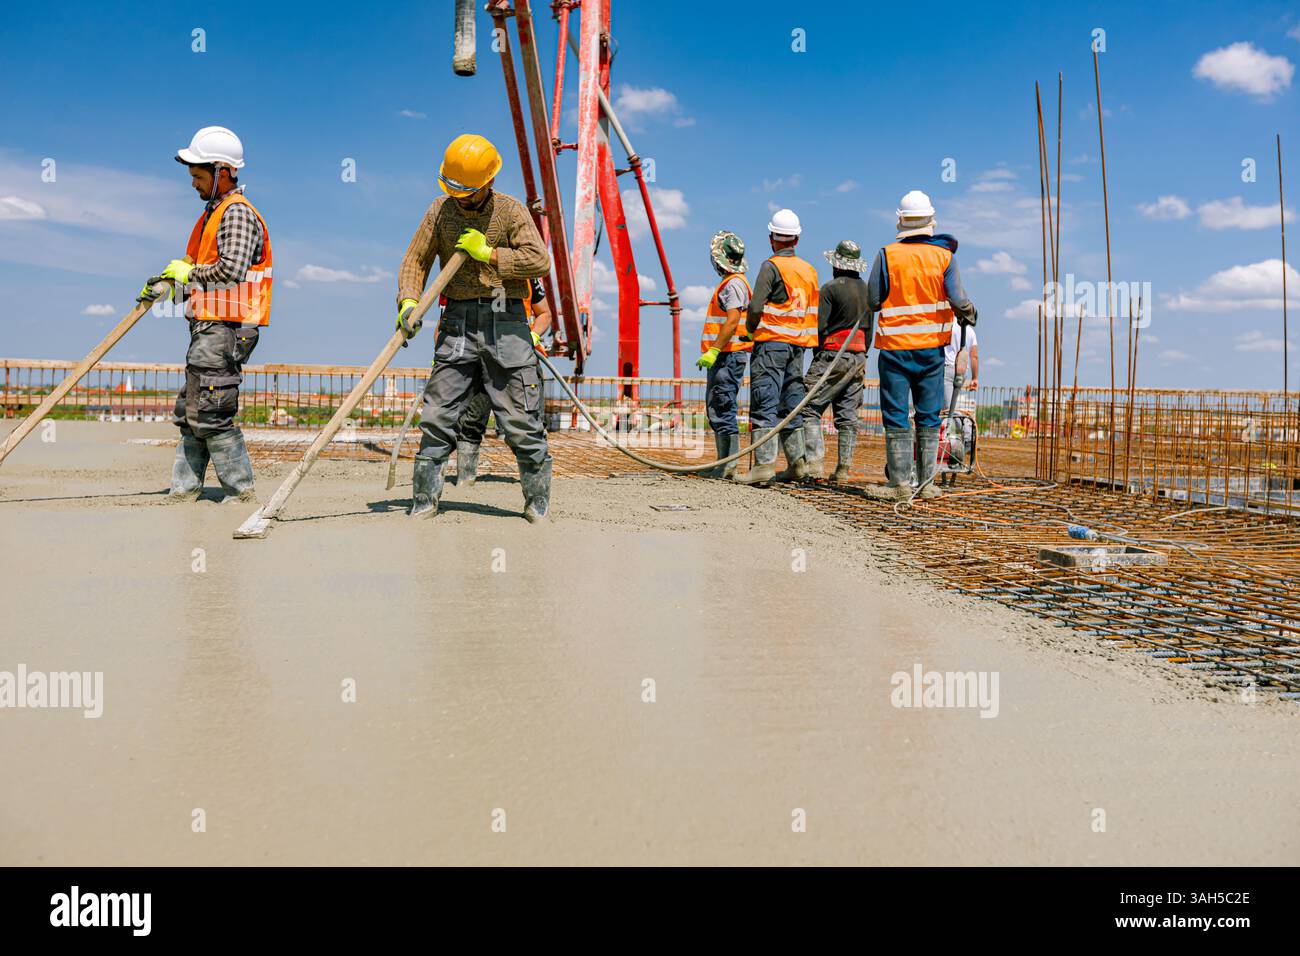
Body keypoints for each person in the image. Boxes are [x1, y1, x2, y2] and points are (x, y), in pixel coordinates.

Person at [395, 133, 553, 521]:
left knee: (521, 419)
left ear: (488, 183)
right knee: (438, 414)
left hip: (507, 322)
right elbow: (415, 260)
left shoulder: (512, 211)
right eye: (454, 190)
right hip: (457, 322)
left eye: (467, 192)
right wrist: (409, 300)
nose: (459, 198)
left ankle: (536, 503)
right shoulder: (440, 211)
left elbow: (539, 261)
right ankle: (425, 500)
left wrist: (491, 254)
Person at [140, 126, 271, 503]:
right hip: (208, 327)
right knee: (192, 411)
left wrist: (188, 274)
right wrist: (168, 286)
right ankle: (184, 491)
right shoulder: (211, 215)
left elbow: (230, 271)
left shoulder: (237, 214)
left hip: (229, 328)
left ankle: (239, 492)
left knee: (212, 411)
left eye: (199, 176)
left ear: (222, 170)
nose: (193, 184)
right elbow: (198, 275)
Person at [860, 190, 977, 501]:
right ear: (930, 221)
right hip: (930, 353)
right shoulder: (944, 257)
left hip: (895, 351)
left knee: (896, 414)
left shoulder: (886, 254)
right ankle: (926, 485)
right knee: (928, 415)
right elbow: (959, 300)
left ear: (900, 221)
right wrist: (969, 312)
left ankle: (898, 484)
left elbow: (872, 300)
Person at [732, 208, 819, 486]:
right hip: (798, 347)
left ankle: (764, 467)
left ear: (772, 238)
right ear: (796, 239)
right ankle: (797, 464)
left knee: (765, 401)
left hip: (772, 345)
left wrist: (749, 330)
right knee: (791, 404)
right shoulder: (810, 270)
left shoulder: (771, 266)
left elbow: (756, 306)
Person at [451, 277, 552, 486]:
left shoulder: (526, 277)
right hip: (478, 357)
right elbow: (447, 319)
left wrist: (531, 336)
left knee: (529, 422)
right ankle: (465, 480)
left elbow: (545, 314)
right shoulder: (469, 274)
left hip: (518, 359)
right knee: (471, 421)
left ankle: (535, 485)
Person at [799, 240, 872, 484]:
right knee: (847, 416)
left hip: (833, 354)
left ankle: (815, 465)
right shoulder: (868, 291)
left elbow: (821, 327)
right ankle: (842, 470)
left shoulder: (830, 288)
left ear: (837, 265)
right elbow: (869, 331)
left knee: (808, 407)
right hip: (859, 357)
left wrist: (819, 355)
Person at [694, 231, 751, 479]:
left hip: (728, 356)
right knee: (717, 406)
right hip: (725, 356)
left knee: (723, 405)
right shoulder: (732, 283)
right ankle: (723, 463)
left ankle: (727, 466)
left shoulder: (734, 284)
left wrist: (715, 349)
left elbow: (732, 321)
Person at [943, 322, 978, 408]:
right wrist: (974, 378)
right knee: (951, 404)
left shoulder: (947, 326)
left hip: (947, 368)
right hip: (962, 371)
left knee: (948, 409)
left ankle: (955, 421)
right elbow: (974, 356)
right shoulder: (970, 331)